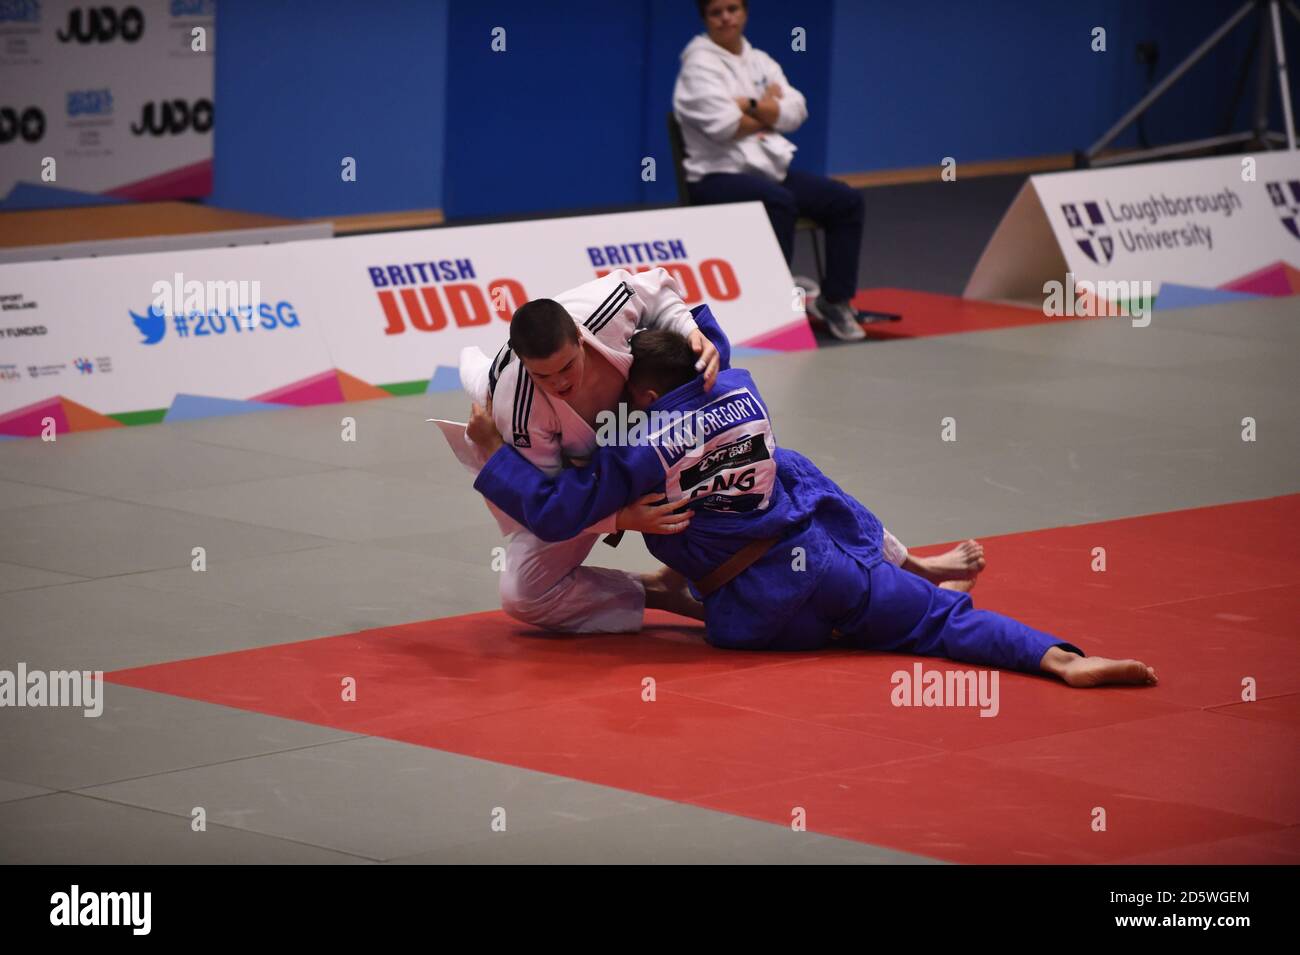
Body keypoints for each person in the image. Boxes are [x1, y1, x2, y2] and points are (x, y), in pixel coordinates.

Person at [466, 307, 1158, 688]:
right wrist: (702, 325)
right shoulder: (742, 385)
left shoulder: (638, 448)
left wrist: (497, 454)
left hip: (747, 623)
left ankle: (681, 593)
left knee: (723, 527)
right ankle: (1062, 659)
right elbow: (710, 343)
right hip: (825, 570)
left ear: (643, 395)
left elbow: (559, 512)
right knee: (943, 621)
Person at [451, 267, 719, 633]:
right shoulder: (517, 404)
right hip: (573, 465)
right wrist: (619, 517)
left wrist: (690, 331)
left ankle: (725, 570)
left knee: (720, 434)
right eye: (543, 376)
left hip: (630, 433)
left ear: (580, 337)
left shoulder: (603, 310)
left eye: (566, 366)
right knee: (524, 593)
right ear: (524, 363)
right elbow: (547, 499)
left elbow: (657, 293)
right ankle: (655, 591)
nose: (560, 383)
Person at [673, 0, 870, 342]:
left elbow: (796, 112)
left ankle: (834, 301)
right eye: (716, 12)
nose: (726, 18)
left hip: (769, 171)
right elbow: (724, 126)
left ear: (745, 13)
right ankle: (770, 307)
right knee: (778, 203)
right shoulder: (697, 66)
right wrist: (769, 107)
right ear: (705, 19)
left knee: (846, 200)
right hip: (715, 176)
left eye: (732, 9)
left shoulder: (760, 60)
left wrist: (748, 105)